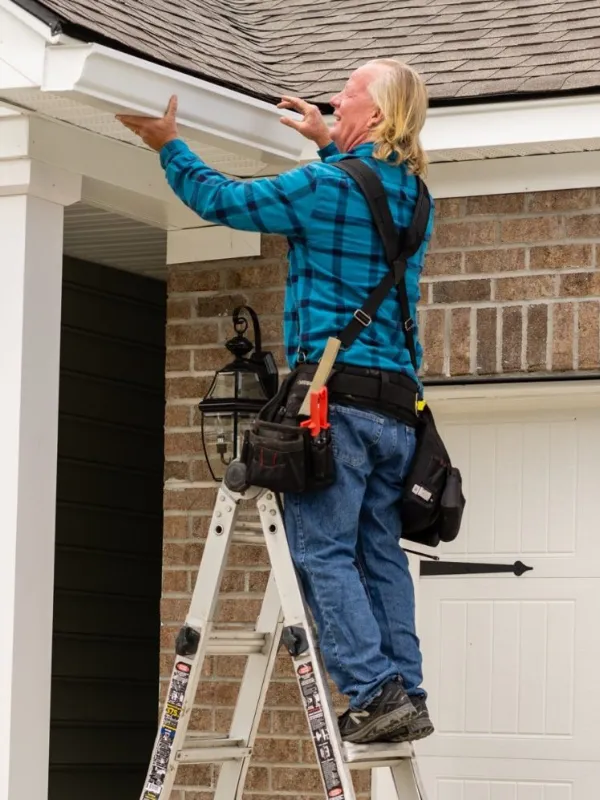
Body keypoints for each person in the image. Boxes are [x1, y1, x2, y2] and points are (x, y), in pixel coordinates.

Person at [117, 59, 435, 745]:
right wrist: (327, 137)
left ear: (375, 115)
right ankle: (406, 688)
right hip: (397, 410)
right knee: (378, 553)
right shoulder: (416, 196)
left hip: (336, 402)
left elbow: (224, 202)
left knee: (322, 552)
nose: (333, 98)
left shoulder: (326, 188)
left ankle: (375, 693)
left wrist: (169, 146)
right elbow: (365, 200)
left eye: (345, 96)